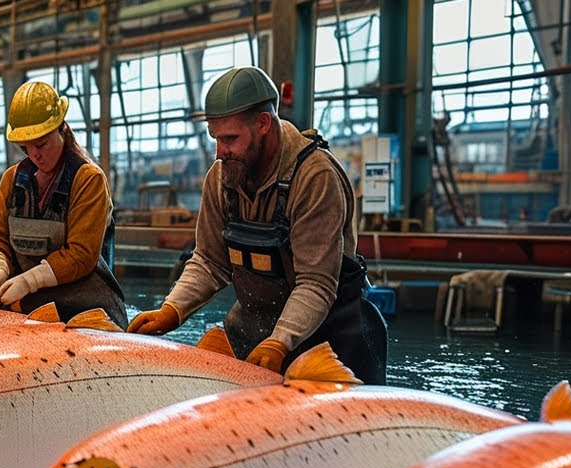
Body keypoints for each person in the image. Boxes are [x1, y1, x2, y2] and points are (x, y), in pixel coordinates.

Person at [128, 66, 387, 384]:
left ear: (264, 123)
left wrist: (280, 342)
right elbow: (209, 261)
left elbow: (316, 283)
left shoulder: (315, 177)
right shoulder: (222, 177)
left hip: (328, 345)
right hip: (253, 332)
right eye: (216, 139)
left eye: (230, 139)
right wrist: (172, 309)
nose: (221, 151)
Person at [0, 81, 127, 327]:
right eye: (26, 147)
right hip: (25, 308)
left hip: (89, 315)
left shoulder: (88, 180)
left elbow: (81, 255)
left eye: (41, 144)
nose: (35, 154)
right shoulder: (11, 180)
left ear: (63, 129)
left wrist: (28, 282)